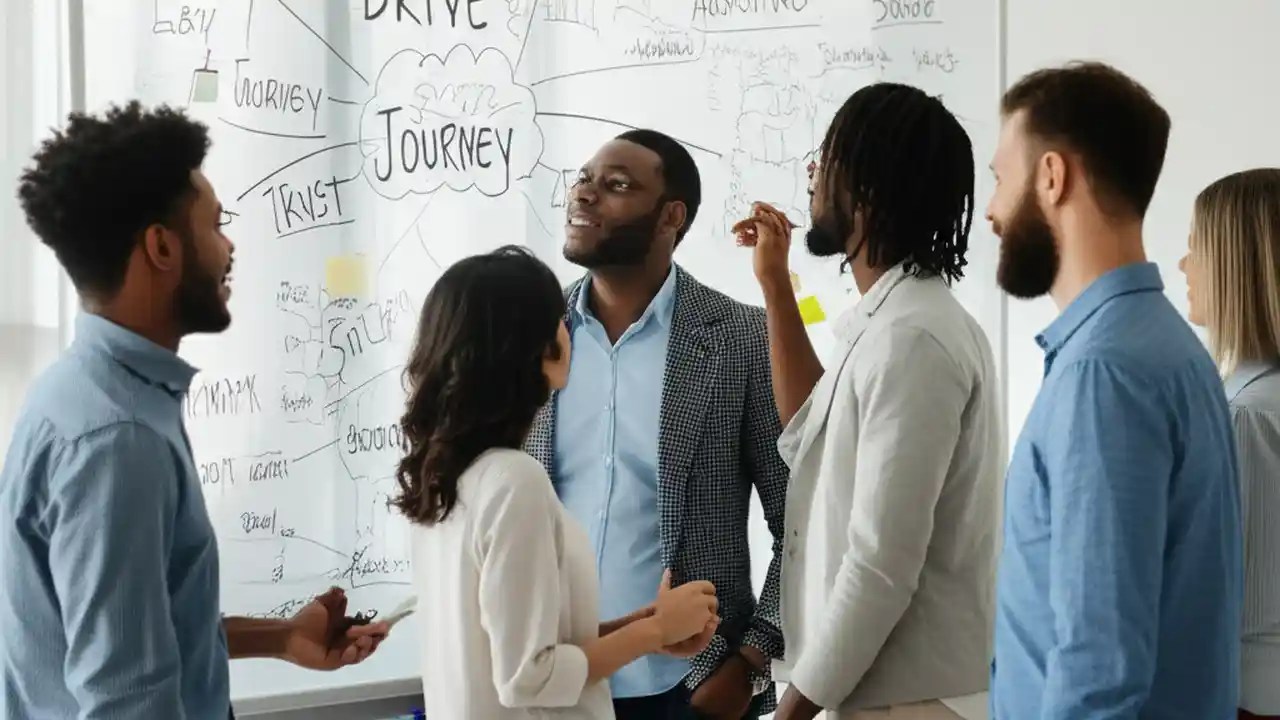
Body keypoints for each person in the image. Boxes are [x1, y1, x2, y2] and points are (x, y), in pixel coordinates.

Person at [0, 102, 389, 719]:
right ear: (161, 246)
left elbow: (138, 632)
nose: (229, 247)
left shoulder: (86, 394)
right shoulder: (118, 438)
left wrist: (283, 638)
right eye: (214, 225)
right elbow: (127, 701)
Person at [735, 83, 1002, 720]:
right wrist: (776, 285)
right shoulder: (893, 322)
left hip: (904, 699)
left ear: (869, 189)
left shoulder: (912, 339)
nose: (810, 177)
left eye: (824, 160)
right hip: (875, 691)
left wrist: (793, 711)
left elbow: (882, 563)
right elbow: (810, 431)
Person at [987, 62, 1242, 719]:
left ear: (1051, 176)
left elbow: (1098, 674)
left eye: (1000, 179)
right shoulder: (1163, 345)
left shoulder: (1104, 375)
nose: (990, 210)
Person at [524, 129, 790, 719]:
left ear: (672, 216)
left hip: (690, 685)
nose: (585, 195)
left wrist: (750, 663)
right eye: (584, 179)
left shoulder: (738, 338)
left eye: (616, 185)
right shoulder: (533, 334)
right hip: (554, 678)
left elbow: (799, 520)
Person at [394, 246, 721, 719]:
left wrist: (644, 625)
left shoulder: (448, 475)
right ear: (529, 346)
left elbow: (514, 644)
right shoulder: (513, 479)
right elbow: (530, 677)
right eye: (558, 320)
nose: (569, 331)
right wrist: (652, 633)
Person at [1178, 168, 1280, 720]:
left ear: (1237, 264)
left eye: (1195, 247)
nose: (1183, 266)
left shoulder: (1246, 416)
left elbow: (1237, 611)